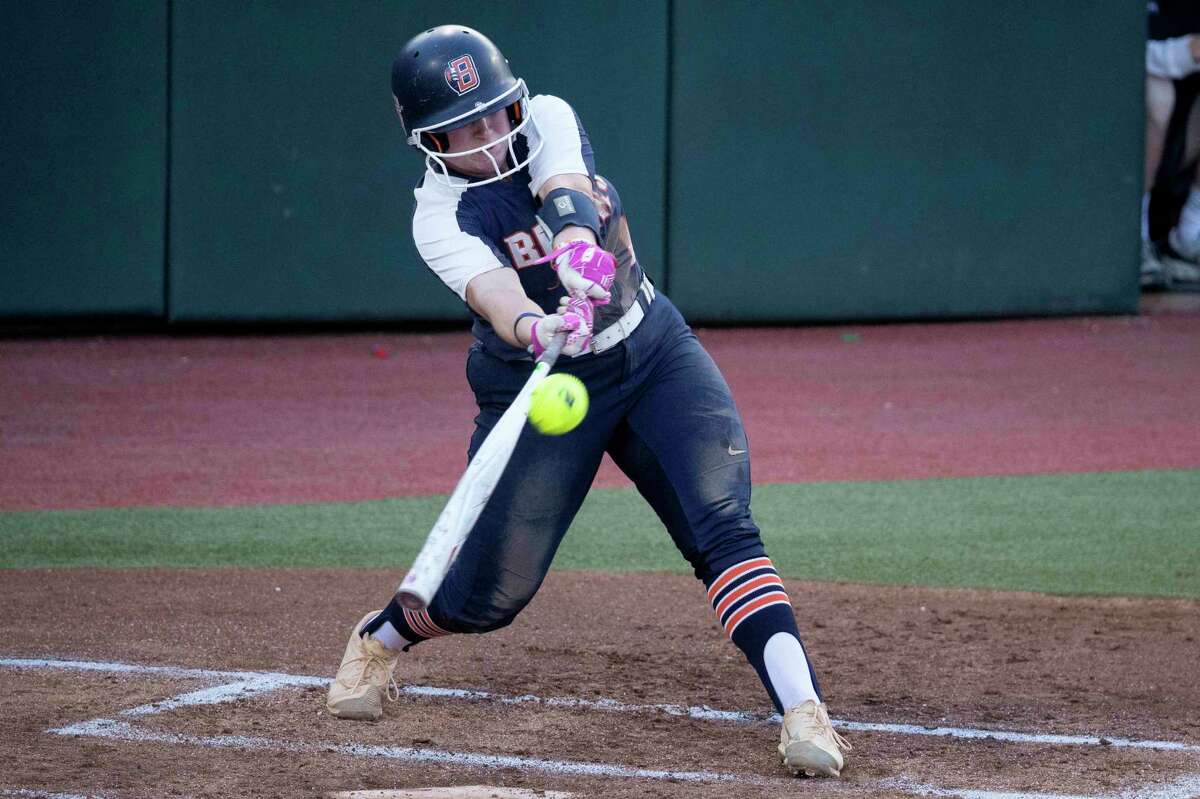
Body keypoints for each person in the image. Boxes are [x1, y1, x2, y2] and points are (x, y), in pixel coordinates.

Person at [325, 24, 852, 778]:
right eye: (463, 129)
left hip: (649, 351)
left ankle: (806, 712)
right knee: (490, 594)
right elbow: (495, 292)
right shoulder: (437, 217)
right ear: (429, 141)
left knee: (723, 525)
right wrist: (540, 324)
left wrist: (576, 245)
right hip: (534, 387)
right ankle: (382, 636)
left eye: (495, 114)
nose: (489, 135)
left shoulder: (547, 117)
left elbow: (564, 187)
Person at [1142, 0, 1200, 288]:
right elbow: (1098, 49)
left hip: (1180, 148)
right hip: (1111, 155)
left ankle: (1191, 235)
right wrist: (1187, 51)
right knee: (1158, 95)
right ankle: (1135, 237)